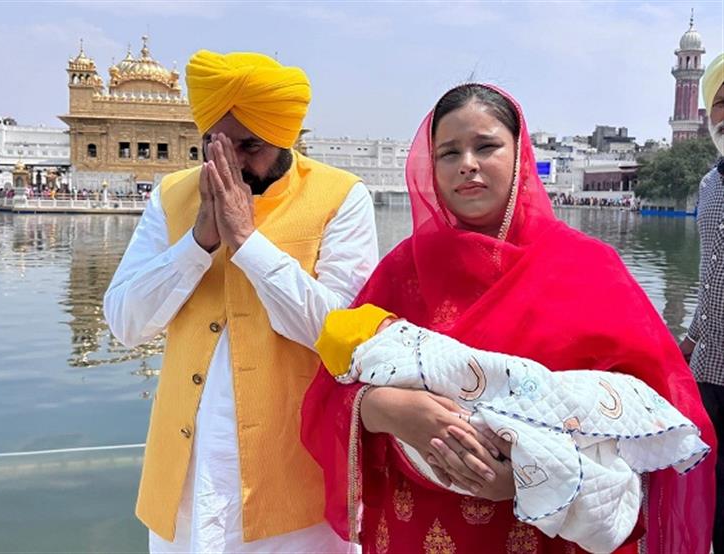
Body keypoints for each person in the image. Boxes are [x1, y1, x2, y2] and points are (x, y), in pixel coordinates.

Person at [301, 83, 716, 553]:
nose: (467, 164)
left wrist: (529, 476)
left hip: (541, 532)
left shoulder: (587, 267)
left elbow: (659, 409)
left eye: (486, 146)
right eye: (449, 152)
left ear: (520, 155)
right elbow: (332, 381)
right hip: (415, 524)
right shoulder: (403, 269)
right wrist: (382, 410)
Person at [103, 50, 378, 552]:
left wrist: (248, 244)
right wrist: (197, 244)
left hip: (295, 496)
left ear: (283, 139)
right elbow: (125, 322)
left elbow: (342, 336)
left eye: (248, 146)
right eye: (214, 144)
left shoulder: (341, 197)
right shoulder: (172, 196)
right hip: (183, 492)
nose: (226, 163)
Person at [679, 51, 724, 554]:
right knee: (709, 497)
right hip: (709, 368)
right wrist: (691, 339)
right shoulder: (709, 184)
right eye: (721, 103)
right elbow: (711, 277)